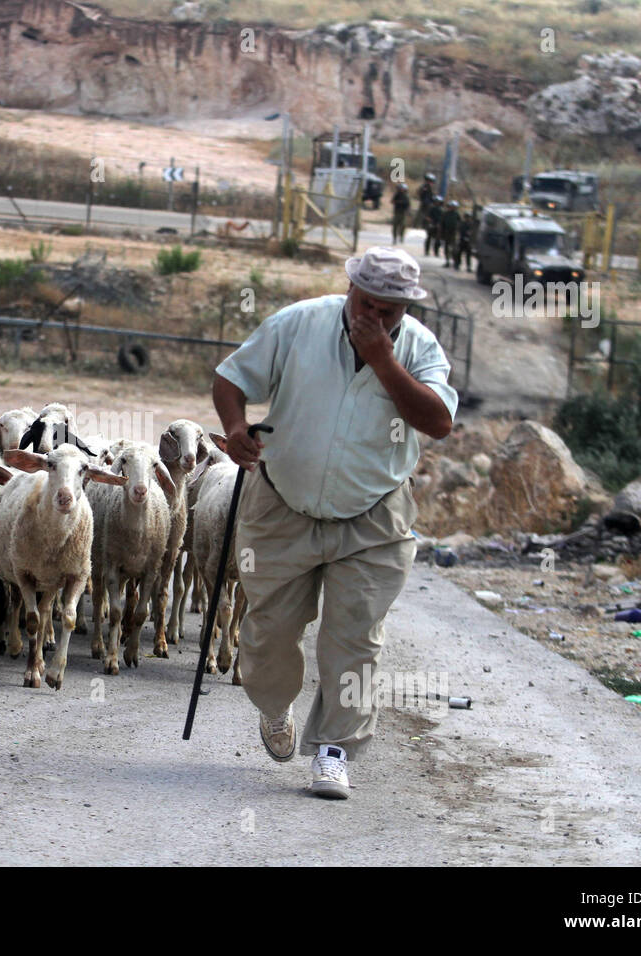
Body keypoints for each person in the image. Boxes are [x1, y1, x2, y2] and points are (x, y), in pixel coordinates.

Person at [212, 247, 458, 799]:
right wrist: (234, 428)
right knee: (267, 634)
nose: (372, 316)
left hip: (373, 516)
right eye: (364, 302)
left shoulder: (418, 348)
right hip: (281, 504)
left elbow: (437, 421)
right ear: (348, 289)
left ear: (404, 309)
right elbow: (231, 379)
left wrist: (383, 359)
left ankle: (334, 751)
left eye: (387, 311)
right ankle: (275, 707)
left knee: (354, 641)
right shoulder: (299, 323)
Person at [440, 200, 461, 267]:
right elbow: (442, 224)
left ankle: (456, 262)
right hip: (447, 232)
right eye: (451, 206)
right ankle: (447, 261)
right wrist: (441, 233)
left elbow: (460, 223)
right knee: (446, 248)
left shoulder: (457, 214)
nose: (452, 208)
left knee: (455, 249)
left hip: (454, 233)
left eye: (454, 207)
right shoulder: (445, 214)